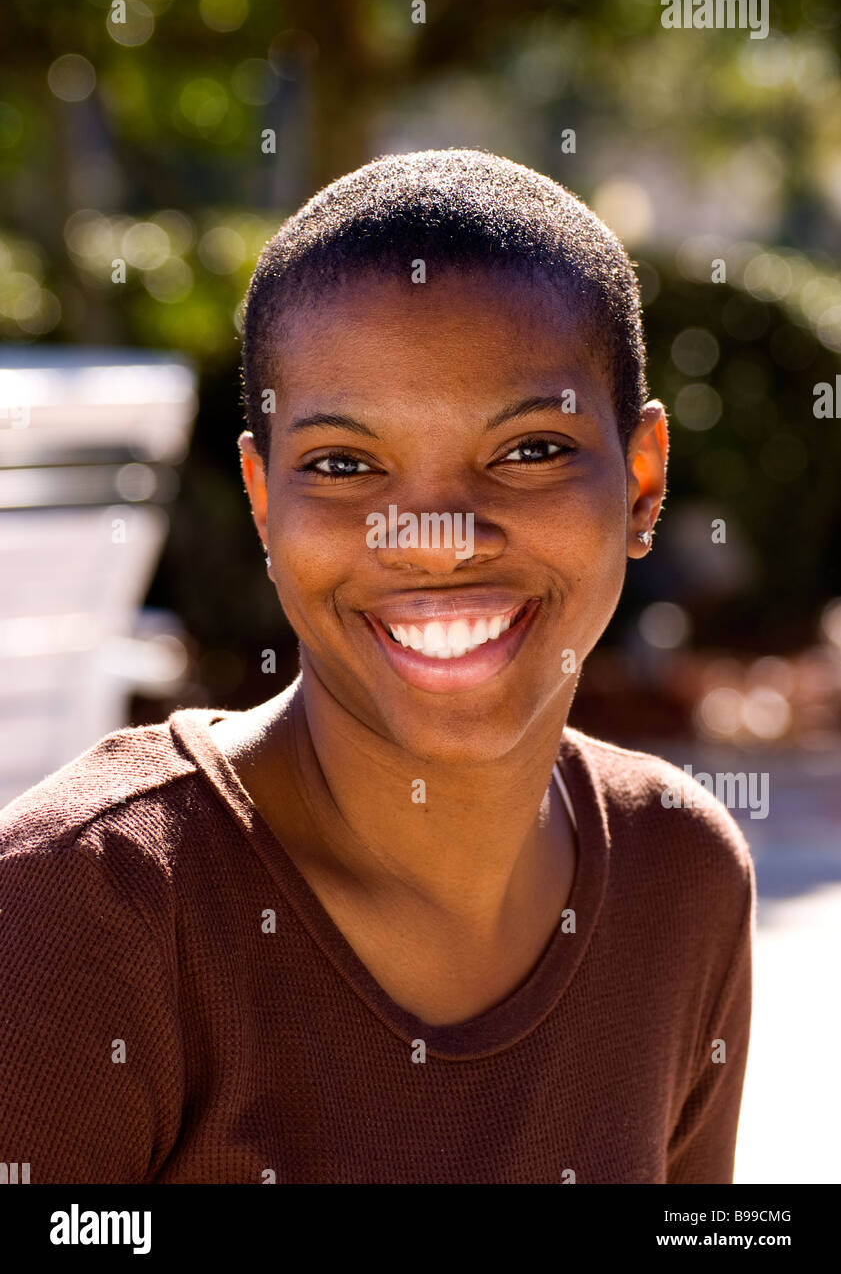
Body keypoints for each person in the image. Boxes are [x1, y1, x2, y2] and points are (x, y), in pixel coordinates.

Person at [0, 148, 754, 1183]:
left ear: (639, 480)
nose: (438, 536)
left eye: (528, 448)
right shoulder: (82, 912)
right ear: (266, 503)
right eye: (345, 465)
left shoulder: (681, 878)